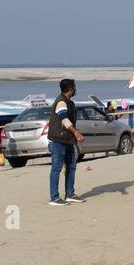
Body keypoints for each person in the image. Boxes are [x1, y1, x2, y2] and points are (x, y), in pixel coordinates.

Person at [47, 78, 85, 206]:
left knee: (71, 166)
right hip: (58, 141)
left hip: (68, 140)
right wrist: (76, 132)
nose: (75, 89)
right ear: (70, 88)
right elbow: (64, 118)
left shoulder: (69, 102)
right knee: (56, 168)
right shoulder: (61, 102)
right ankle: (54, 197)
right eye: (74, 87)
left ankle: (70, 194)